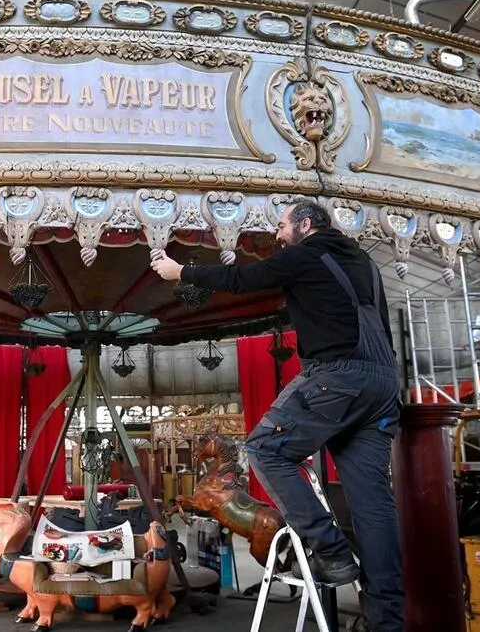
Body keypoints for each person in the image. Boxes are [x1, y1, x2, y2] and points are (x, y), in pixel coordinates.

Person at [150, 197, 404, 632]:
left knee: (264, 447)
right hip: (382, 384)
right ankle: (389, 623)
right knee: (373, 505)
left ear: (305, 224)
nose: (279, 234)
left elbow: (245, 278)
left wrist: (182, 272)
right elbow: (378, 323)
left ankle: (331, 550)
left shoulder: (306, 252)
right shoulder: (365, 263)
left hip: (337, 374)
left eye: (283, 226)